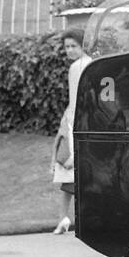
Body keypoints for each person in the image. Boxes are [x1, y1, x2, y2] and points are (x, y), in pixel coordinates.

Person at [51, 28, 92, 233]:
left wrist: (66, 127)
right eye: (67, 47)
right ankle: (66, 218)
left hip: (76, 122)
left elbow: (75, 101)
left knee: (70, 172)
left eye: (73, 46)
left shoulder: (77, 67)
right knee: (74, 175)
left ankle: (64, 218)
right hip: (87, 121)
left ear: (82, 44)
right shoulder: (92, 62)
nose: (69, 50)